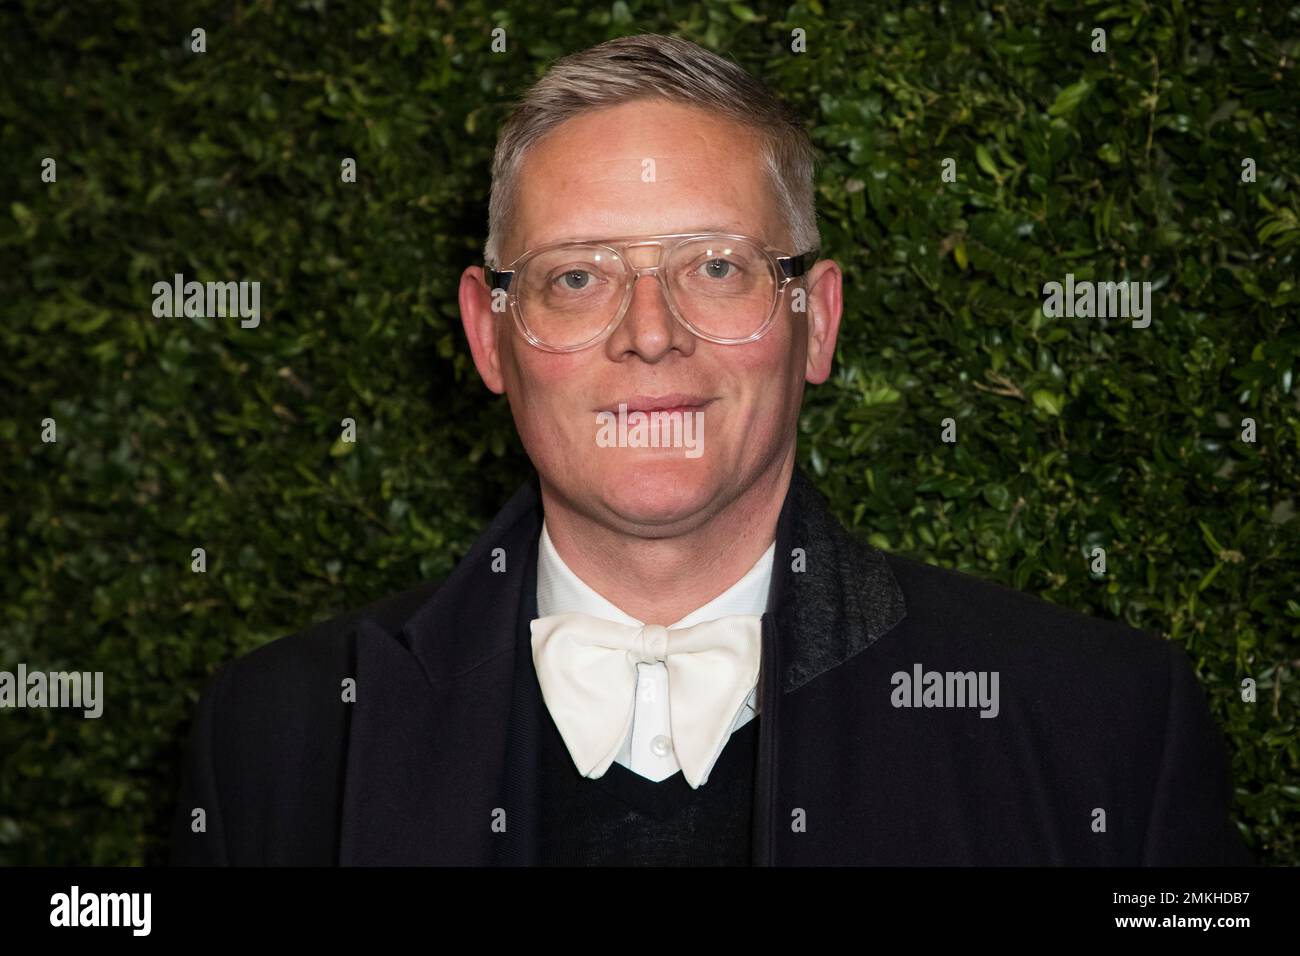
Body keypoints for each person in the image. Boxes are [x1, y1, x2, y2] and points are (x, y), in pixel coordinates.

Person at [170, 33, 1251, 866]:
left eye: (717, 267)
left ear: (815, 319)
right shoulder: (275, 737)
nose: (650, 332)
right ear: (488, 332)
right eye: (578, 276)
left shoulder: (1102, 724)